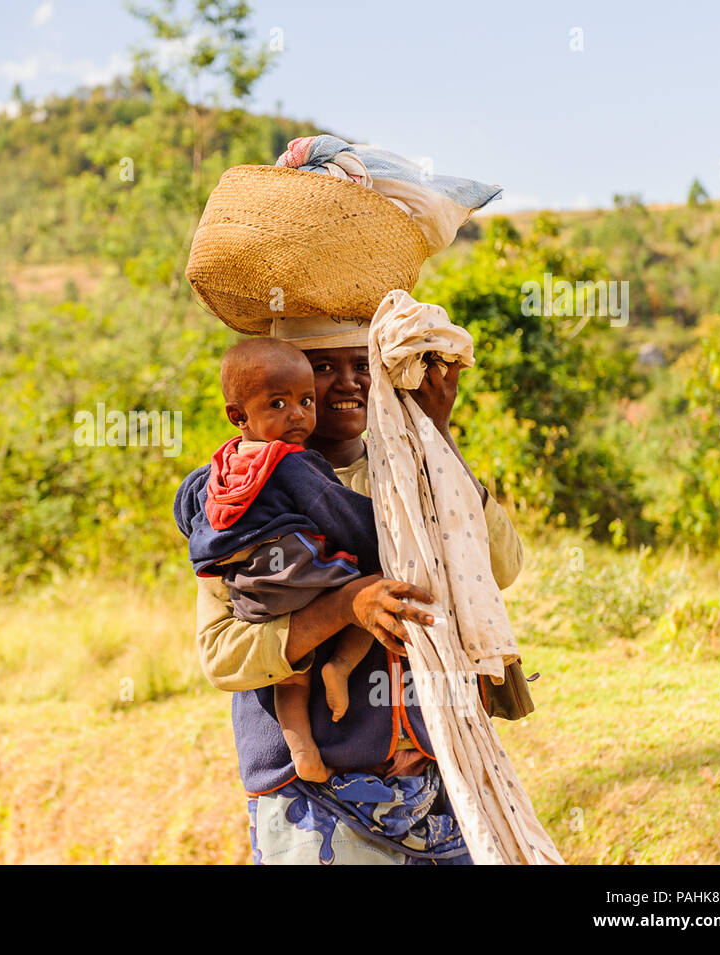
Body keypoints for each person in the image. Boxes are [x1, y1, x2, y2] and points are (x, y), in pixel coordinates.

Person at [188, 317, 525, 865]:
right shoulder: (243, 496)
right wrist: (342, 607)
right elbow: (222, 656)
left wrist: (437, 439)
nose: (350, 384)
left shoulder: (418, 469)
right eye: (323, 369)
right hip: (313, 800)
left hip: (442, 783)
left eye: (364, 366)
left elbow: (503, 567)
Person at [176, 338, 383, 783]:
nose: (297, 414)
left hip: (255, 593)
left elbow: (188, 513)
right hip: (304, 576)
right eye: (279, 403)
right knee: (371, 598)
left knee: (289, 679)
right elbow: (339, 513)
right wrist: (384, 555)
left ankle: (302, 746)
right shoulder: (292, 463)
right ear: (239, 414)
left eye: (303, 401)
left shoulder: (217, 470)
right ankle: (341, 667)